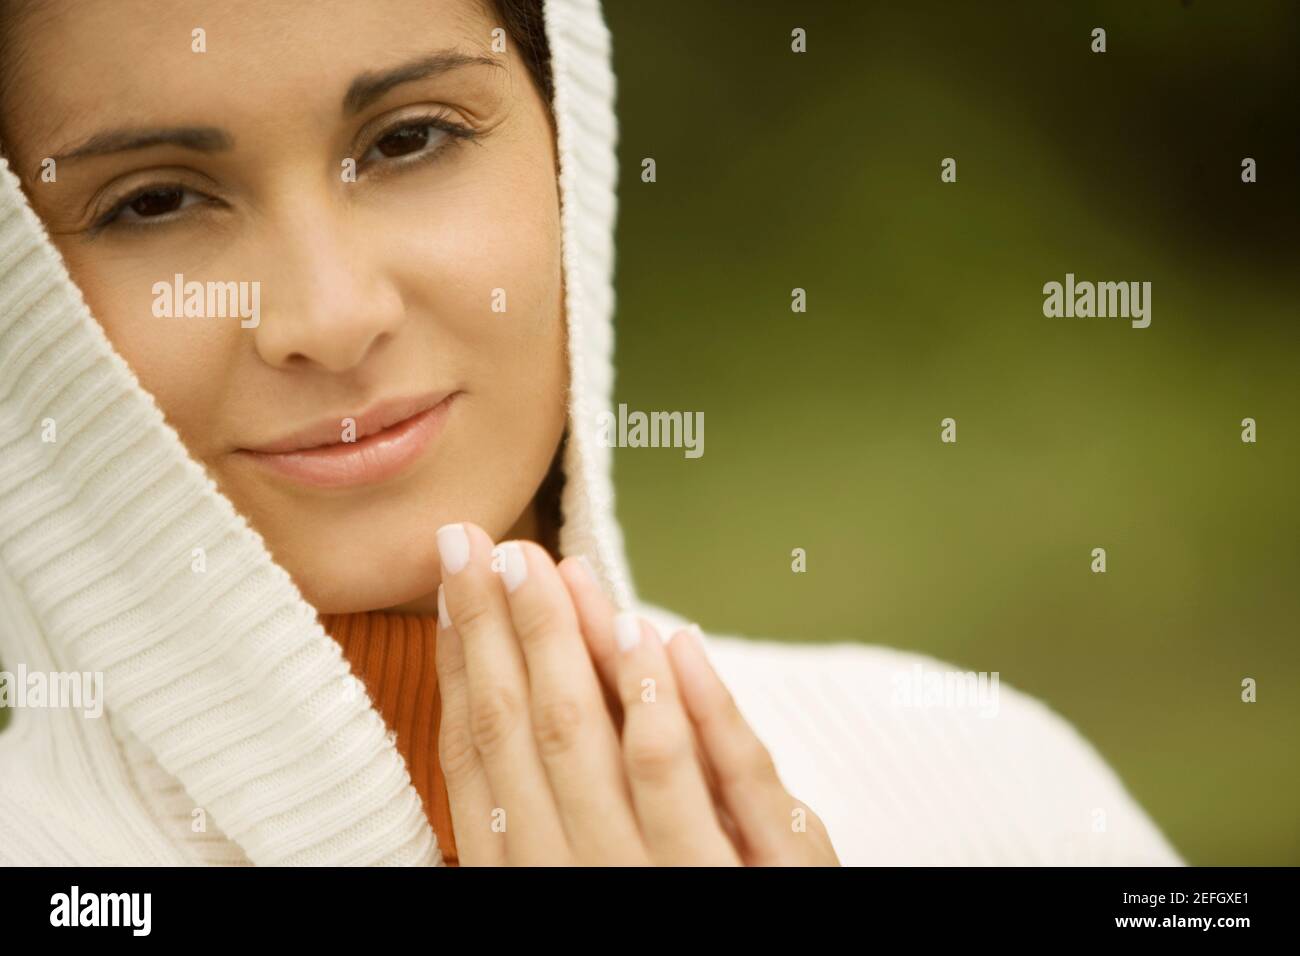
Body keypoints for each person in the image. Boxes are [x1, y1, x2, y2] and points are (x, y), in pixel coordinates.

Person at [0, 0, 1181, 865]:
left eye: (409, 138)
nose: (330, 315)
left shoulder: (983, 778)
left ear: (572, 145)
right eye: (151, 201)